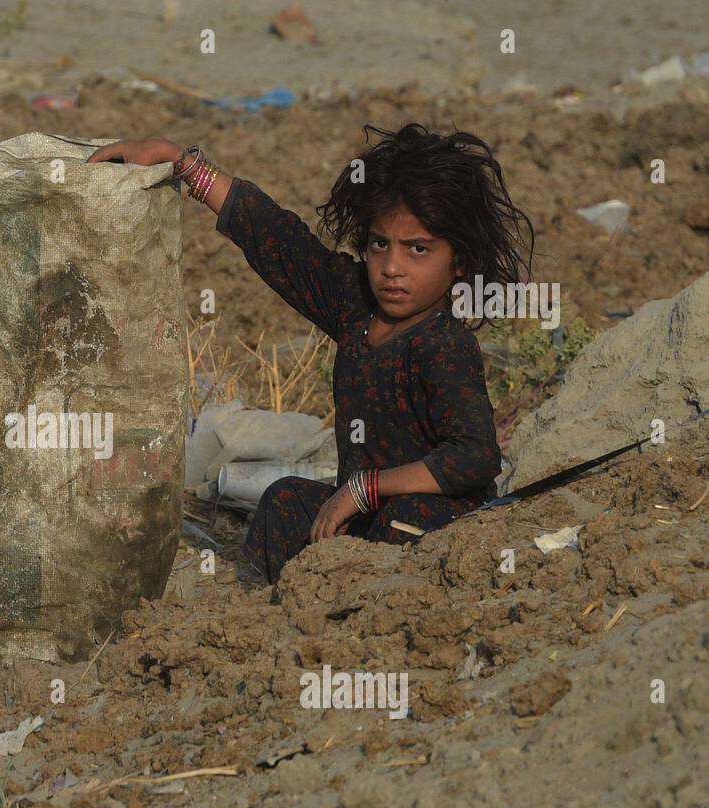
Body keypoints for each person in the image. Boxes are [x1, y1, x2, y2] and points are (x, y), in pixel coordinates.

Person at [87, 125, 534, 594]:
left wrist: (365, 490)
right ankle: (270, 608)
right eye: (380, 244)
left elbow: (476, 457)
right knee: (285, 501)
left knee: (406, 520)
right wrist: (179, 161)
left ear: (459, 262)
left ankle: (374, 604)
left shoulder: (444, 344)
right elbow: (280, 242)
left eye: (418, 249)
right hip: (363, 513)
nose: (393, 267)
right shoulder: (356, 305)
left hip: (436, 518)